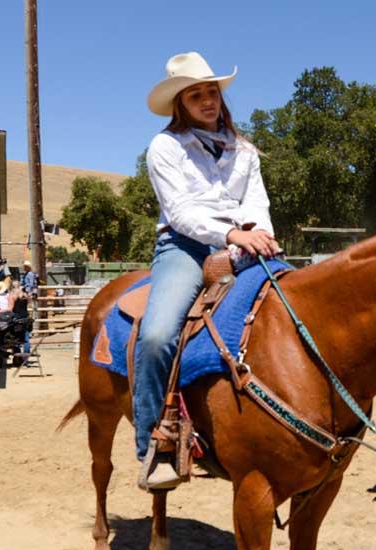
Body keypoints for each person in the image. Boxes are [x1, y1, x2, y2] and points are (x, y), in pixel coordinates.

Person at [137, 51, 280, 490]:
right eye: (195, 95)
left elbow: (257, 203)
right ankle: (155, 443)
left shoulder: (245, 150)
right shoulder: (165, 147)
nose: (207, 101)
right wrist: (232, 235)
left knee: (296, 304)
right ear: (180, 103)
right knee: (157, 334)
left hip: (244, 243)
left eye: (211, 92)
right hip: (184, 246)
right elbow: (180, 212)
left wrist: (258, 235)